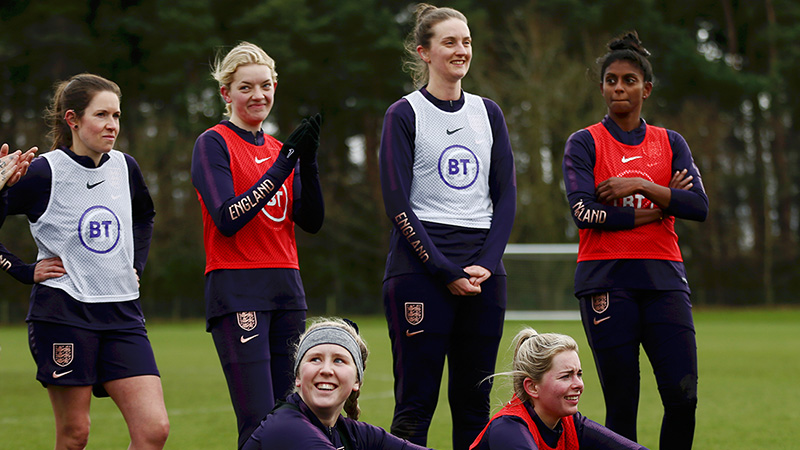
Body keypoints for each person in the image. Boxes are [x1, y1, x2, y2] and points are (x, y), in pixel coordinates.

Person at [0, 73, 169, 450]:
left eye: (117, 115)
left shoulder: (126, 167)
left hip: (123, 314)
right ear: (73, 119)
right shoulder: (44, 171)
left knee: (153, 430)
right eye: (102, 115)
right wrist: (23, 271)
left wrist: (136, 266)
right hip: (63, 313)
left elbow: (144, 216)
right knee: (75, 436)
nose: (112, 125)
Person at [378, 4, 517, 449]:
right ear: (424, 51)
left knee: (475, 405)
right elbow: (397, 203)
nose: (462, 50)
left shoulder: (488, 112)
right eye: (450, 42)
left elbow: (507, 195)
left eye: (467, 41)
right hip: (421, 271)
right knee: (415, 406)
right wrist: (443, 269)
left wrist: (488, 263)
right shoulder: (403, 114)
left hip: (483, 274)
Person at [561, 31, 708, 450]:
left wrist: (637, 183)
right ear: (602, 86)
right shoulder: (584, 142)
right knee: (622, 406)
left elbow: (698, 205)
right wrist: (659, 207)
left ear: (646, 87)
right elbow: (585, 213)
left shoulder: (670, 142)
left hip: (665, 281)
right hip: (606, 282)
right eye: (611, 80)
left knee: (683, 399)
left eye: (628, 80)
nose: (619, 88)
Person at [191, 41, 324, 448]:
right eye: (245, 87)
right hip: (237, 289)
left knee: (292, 415)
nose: (257, 96)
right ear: (225, 93)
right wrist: (285, 163)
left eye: (265, 86)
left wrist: (309, 163)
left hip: (287, 289)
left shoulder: (277, 149)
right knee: (258, 420)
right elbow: (228, 218)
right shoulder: (212, 143)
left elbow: (312, 221)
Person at [243, 317, 432, 450]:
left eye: (339, 360)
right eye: (315, 359)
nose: (326, 369)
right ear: (298, 377)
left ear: (356, 381)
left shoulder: (350, 433)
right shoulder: (285, 427)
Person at [470, 328, 649, 450]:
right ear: (532, 387)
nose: (578, 384)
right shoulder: (508, 428)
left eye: (579, 374)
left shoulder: (571, 423)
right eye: (566, 376)